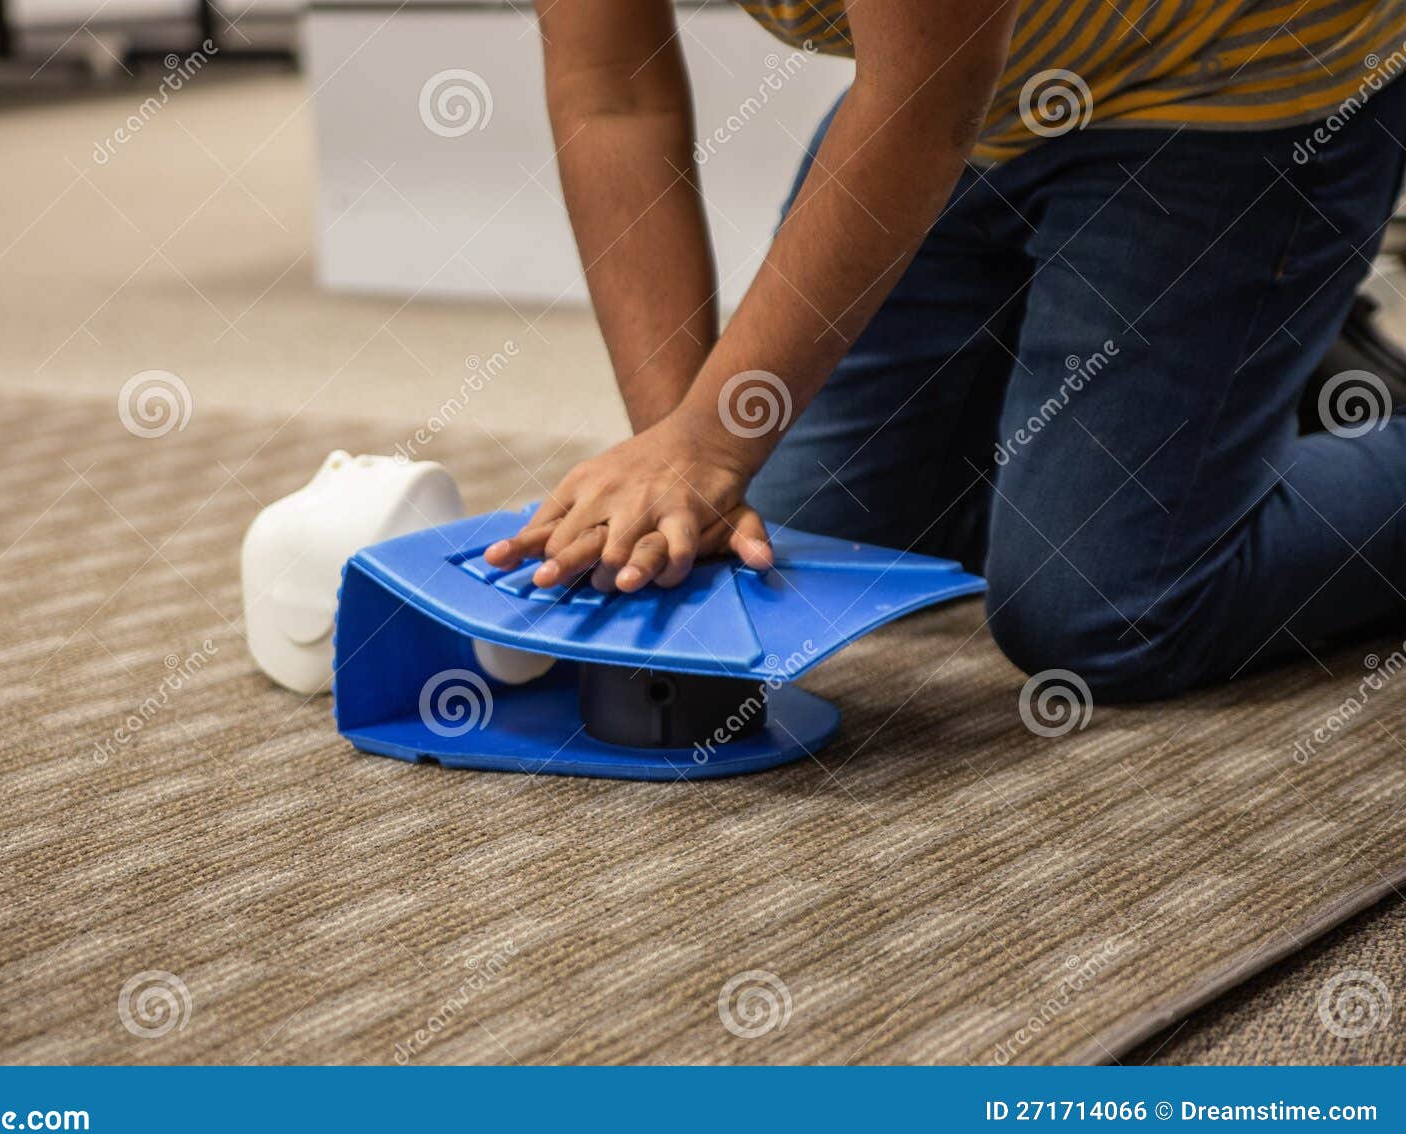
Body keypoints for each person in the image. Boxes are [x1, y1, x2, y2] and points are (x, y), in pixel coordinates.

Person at [485, 0, 1406, 699]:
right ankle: (1256, 368)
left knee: (1105, 608)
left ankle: (1251, 351)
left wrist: (710, 443)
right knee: (813, 542)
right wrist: (685, 459)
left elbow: (924, 97)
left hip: (1228, 79)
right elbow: (614, 92)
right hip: (984, 89)